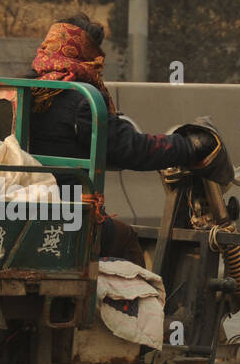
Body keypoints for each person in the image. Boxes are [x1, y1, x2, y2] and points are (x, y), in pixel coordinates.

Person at [24, 14, 219, 265]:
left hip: (16, 207)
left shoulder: (23, 90)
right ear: (85, 55)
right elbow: (130, 149)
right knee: (126, 237)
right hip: (67, 214)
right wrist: (188, 146)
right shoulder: (82, 100)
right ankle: (142, 305)